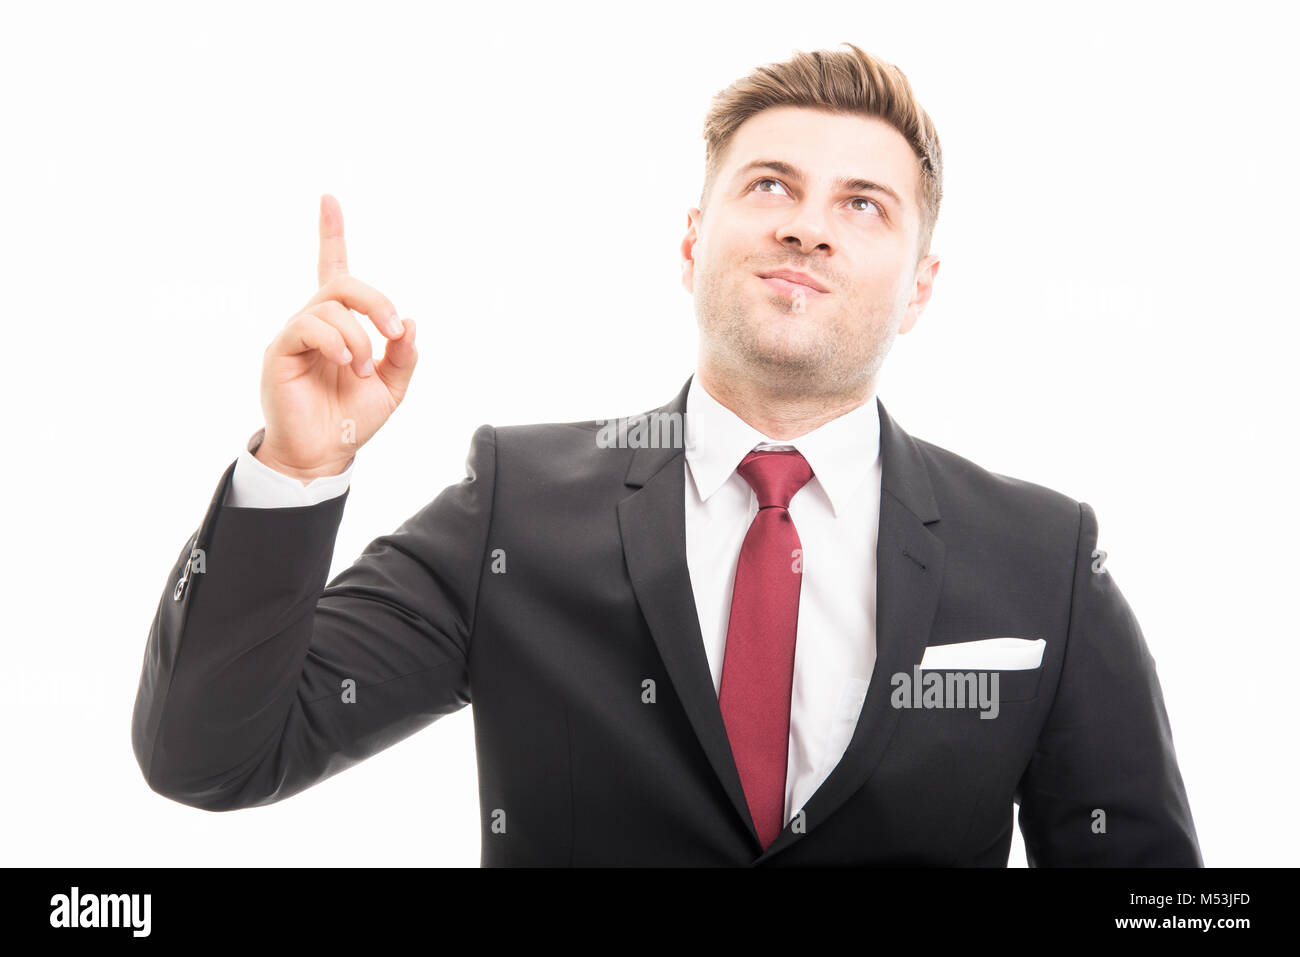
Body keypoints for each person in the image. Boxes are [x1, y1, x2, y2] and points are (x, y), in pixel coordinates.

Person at [131, 42, 1201, 866]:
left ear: (918, 286)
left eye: (861, 206)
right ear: (693, 241)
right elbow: (214, 757)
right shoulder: (514, 508)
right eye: (770, 186)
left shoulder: (1042, 554)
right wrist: (296, 471)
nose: (808, 229)